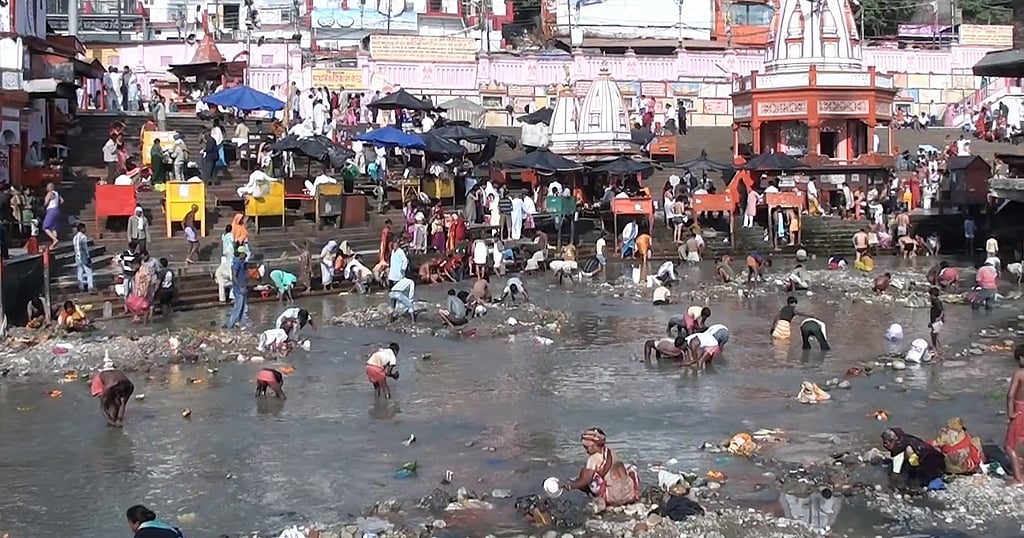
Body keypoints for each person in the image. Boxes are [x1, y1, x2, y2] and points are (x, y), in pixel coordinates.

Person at [561, 428, 641, 512]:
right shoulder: (611, 452)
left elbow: (585, 481)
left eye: (587, 447)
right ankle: (634, 498)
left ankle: (601, 502)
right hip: (629, 493)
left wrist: (569, 486)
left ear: (594, 445)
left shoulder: (594, 458)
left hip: (615, 497)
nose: (587, 451)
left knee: (584, 472)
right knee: (628, 467)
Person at [880, 427, 945, 490]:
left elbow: (916, 466)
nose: (884, 445)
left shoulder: (910, 450)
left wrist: (891, 485)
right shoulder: (904, 440)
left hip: (932, 463)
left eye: (886, 443)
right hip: (930, 458)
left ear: (895, 441)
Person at [91, 361, 134, 427]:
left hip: (115, 379)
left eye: (122, 395)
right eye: (119, 395)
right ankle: (112, 418)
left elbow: (123, 404)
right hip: (100, 379)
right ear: (115, 390)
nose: (121, 397)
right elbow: (103, 407)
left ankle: (116, 417)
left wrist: (119, 419)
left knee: (118, 403)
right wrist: (110, 421)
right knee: (110, 402)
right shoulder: (109, 388)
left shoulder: (130, 386)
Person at [1005, 344, 1024, 484]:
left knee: (1010, 445)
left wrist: (1011, 413)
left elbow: (1010, 395)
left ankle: (1018, 478)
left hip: (1020, 409)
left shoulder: (1019, 374)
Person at [223, 247, 249, 330]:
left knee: (242, 307)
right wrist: (240, 287)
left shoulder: (242, 262)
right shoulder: (237, 262)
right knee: (238, 307)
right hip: (238, 288)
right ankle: (230, 325)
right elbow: (234, 275)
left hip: (243, 287)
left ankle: (238, 323)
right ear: (241, 254)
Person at [73, 223, 94, 292]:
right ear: (82, 229)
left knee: (80, 272)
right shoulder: (83, 237)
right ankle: (90, 286)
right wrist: (88, 257)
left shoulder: (75, 237)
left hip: (77, 256)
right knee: (89, 271)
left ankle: (81, 287)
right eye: (84, 228)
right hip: (83, 256)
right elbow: (85, 248)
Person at [41, 182, 61, 249]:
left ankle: (55, 239)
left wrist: (43, 206)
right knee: (54, 228)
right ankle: (54, 243)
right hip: (57, 210)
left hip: (51, 210)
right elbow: (62, 201)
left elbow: (46, 203)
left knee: (45, 227)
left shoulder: (49, 194)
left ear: (49, 188)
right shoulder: (57, 193)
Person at [928, 286, 943, 350]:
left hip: (937, 321)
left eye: (930, 295)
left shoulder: (937, 302)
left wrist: (938, 319)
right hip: (935, 321)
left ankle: (936, 347)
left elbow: (942, 311)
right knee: (934, 334)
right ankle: (937, 346)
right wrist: (931, 323)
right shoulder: (934, 301)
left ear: (932, 295)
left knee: (934, 334)